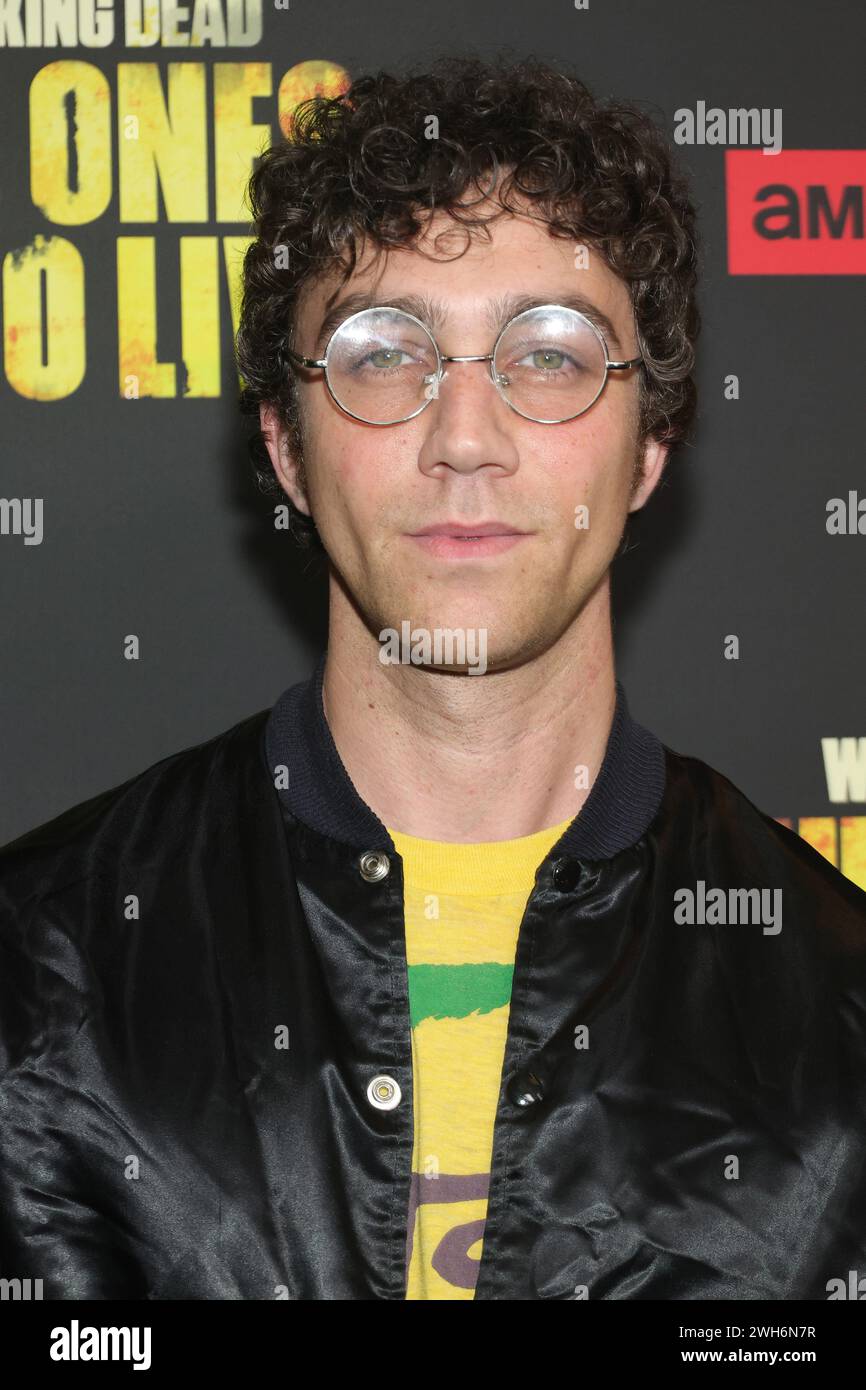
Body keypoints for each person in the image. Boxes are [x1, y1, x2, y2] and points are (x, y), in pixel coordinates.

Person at [2, 54, 865, 1303]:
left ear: (649, 446)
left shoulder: (831, 1017)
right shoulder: (42, 973)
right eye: (382, 354)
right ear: (286, 449)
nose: (465, 437)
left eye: (552, 356)